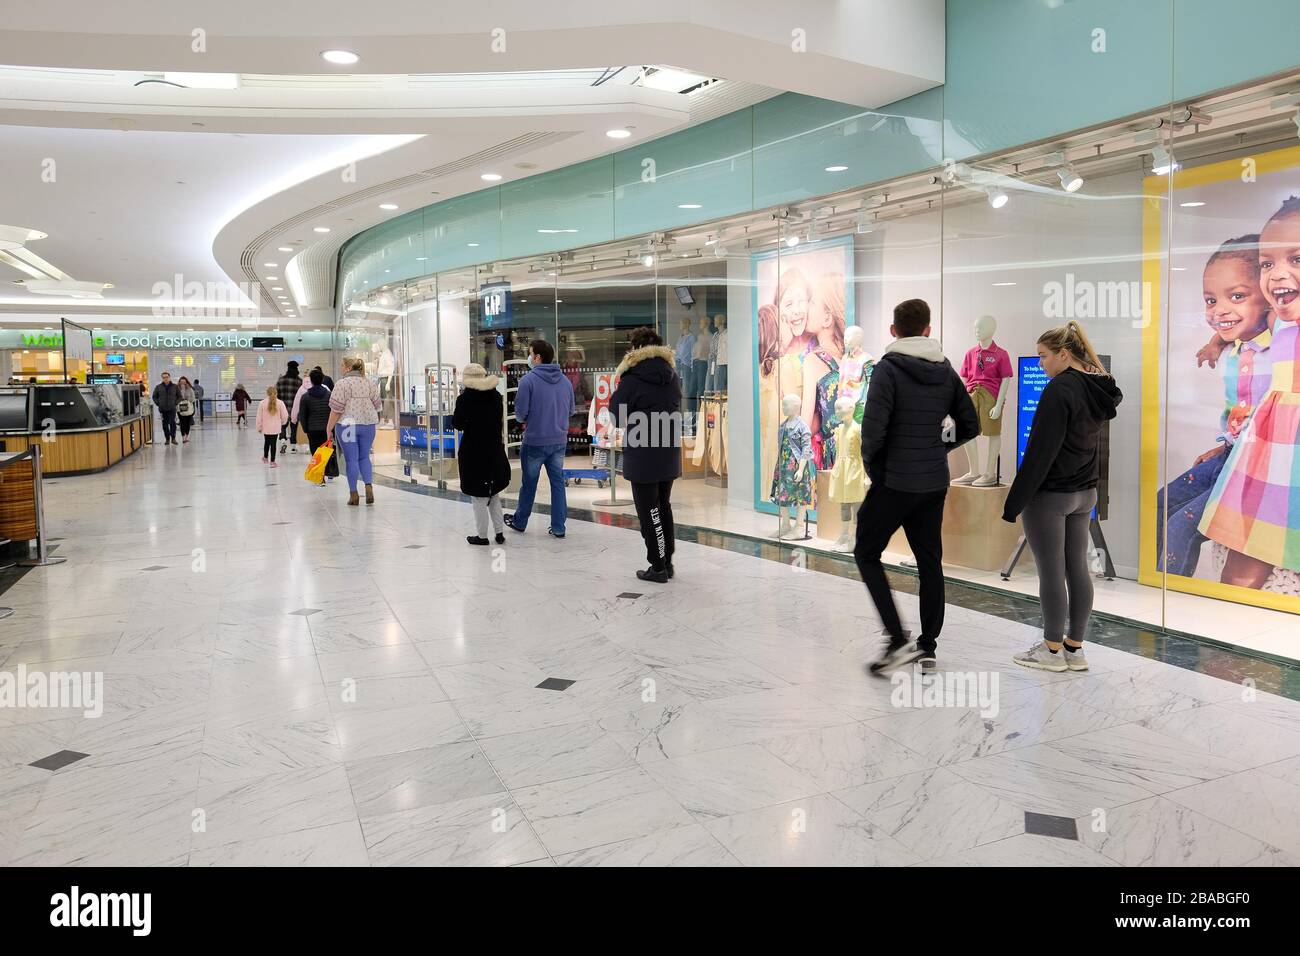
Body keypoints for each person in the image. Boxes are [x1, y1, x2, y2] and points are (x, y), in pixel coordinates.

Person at [855, 298, 980, 675]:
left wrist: (877, 470)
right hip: (932, 482)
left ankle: (896, 638)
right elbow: (970, 425)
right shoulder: (945, 371)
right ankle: (928, 647)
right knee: (930, 562)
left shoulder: (887, 370)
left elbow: (872, 432)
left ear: (893, 330)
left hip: (896, 480)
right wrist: (936, 448)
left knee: (866, 551)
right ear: (928, 329)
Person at [1003, 320, 1122, 672]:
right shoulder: (1095, 387)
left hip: (1052, 496)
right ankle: (1075, 648)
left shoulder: (1059, 390)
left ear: (1063, 354)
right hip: (1084, 493)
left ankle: (1051, 649)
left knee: (1051, 573)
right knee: (1077, 570)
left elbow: (1040, 452)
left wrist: (1014, 502)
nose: (1040, 364)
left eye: (1043, 356)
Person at [1199, 195, 1300, 589]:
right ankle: (1225, 628)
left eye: (1296, 259)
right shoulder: (1281, 320)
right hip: (1271, 446)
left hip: (1284, 449)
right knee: (1245, 557)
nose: (1276, 275)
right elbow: (1245, 319)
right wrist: (1214, 342)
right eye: (1267, 264)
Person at [609, 327, 683, 583]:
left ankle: (657, 566)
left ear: (635, 350)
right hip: (668, 450)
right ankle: (667, 562)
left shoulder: (631, 378)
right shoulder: (673, 376)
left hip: (643, 455)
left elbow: (617, 416)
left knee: (648, 511)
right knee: (663, 507)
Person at [504, 339, 575, 538]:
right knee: (557, 483)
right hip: (559, 441)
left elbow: (520, 414)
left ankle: (520, 522)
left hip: (535, 440)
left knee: (529, 483)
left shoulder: (527, 381)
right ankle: (559, 527)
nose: (528, 357)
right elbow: (570, 410)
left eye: (530, 353)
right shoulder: (565, 381)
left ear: (537, 357)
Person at [452, 363, 510, 545]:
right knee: (494, 493)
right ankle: (499, 533)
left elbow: (457, 424)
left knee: (478, 496)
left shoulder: (464, 399)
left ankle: (482, 536)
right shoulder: (496, 396)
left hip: (473, 452)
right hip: (494, 449)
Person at [326, 356, 381, 506]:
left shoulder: (342, 384)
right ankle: (368, 487)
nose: (341, 368)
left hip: (347, 425)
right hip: (368, 424)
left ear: (348, 368)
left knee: (351, 460)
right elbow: (377, 405)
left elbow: (336, 410)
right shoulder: (370, 383)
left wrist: (329, 428)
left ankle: (354, 494)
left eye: (342, 365)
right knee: (364, 457)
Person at [296, 368, 338, 485]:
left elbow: (303, 415)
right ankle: (328, 472)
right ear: (322, 380)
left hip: (312, 429)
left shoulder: (305, 397)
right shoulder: (329, 395)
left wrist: (305, 428)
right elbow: (333, 412)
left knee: (315, 452)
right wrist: (333, 428)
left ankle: (320, 477)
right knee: (326, 451)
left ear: (312, 380)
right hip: (326, 428)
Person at [256, 385, 288, 467]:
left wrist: (259, 426)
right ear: (276, 393)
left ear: (267, 393)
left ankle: (265, 457)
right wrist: (283, 423)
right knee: (273, 443)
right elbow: (285, 415)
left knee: (267, 442)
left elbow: (259, 417)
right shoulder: (280, 403)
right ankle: (273, 461)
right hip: (276, 427)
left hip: (266, 427)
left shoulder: (262, 403)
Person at [276, 360, 303, 454]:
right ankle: (293, 447)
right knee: (294, 428)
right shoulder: (299, 381)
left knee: (282, 427)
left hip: (283, 408)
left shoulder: (281, 380)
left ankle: (283, 441)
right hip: (295, 409)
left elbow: (276, 395)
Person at [152, 371, 180, 445]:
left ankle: (173, 438)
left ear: (169, 377)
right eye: (164, 377)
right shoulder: (158, 387)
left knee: (172, 423)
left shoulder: (175, 386)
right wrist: (158, 403)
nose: (165, 379)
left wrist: (175, 403)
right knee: (164, 425)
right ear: (162, 378)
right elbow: (154, 396)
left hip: (172, 408)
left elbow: (179, 396)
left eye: (167, 377)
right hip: (162, 409)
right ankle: (167, 439)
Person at [175, 376, 197, 444]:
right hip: (180, 408)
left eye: (184, 381)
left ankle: (187, 436)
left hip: (188, 408)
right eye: (181, 381)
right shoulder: (176, 389)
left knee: (188, 423)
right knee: (182, 423)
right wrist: (179, 400)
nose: (182, 383)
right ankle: (183, 437)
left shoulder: (190, 389)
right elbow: (175, 398)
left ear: (186, 382)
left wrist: (187, 400)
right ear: (179, 382)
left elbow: (193, 399)